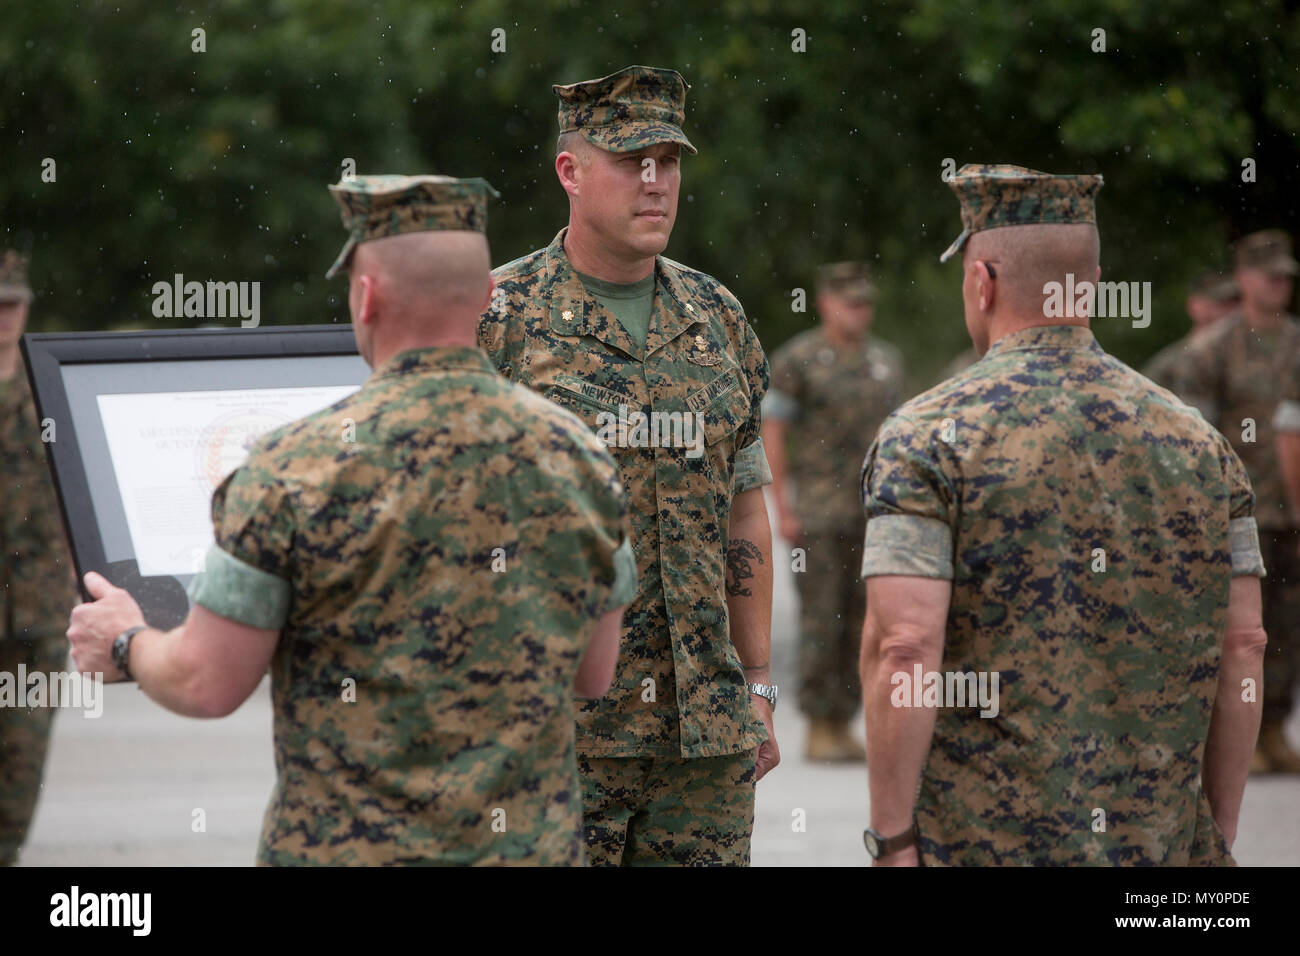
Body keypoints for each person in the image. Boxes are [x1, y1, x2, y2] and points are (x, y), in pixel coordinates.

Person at [67, 175, 636, 865]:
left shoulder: (289, 468)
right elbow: (595, 674)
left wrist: (124, 638)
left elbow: (206, 683)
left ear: (365, 297)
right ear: (487, 297)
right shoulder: (583, 459)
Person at [857, 164, 1267, 865]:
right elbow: (1244, 647)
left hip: (983, 846)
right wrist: (1214, 834)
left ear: (981, 281)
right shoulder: (1202, 444)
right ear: (1093, 282)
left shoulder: (927, 436)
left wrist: (893, 841)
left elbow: (904, 648)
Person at [479, 65, 779, 866]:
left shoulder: (717, 318)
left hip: (705, 740)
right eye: (631, 160)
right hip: (554, 735)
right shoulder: (496, 319)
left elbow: (746, 508)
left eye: (669, 162)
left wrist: (757, 686)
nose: (656, 184)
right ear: (570, 172)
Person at [1170, 229, 1300, 774]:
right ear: (1244, 278)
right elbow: (1191, 435)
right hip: (1238, 514)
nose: (1280, 286)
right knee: (1240, 633)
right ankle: (1234, 736)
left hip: (1291, 510)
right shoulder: (1213, 347)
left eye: (1286, 278)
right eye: (1269, 276)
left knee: (1287, 629)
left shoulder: (1297, 341)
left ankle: (1273, 729)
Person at [763, 262, 903, 761]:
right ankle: (820, 721)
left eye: (865, 303)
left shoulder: (885, 361)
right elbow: (774, 433)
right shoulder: (799, 359)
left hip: (872, 511)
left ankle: (846, 719)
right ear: (825, 303)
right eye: (850, 303)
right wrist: (782, 505)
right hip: (819, 511)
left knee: (864, 619)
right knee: (823, 617)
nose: (859, 312)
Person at [0, 249, 79, 866]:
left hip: (38, 608)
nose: (5, 316)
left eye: (14, 303)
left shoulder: (50, 386)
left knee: (22, 755)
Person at [1142, 270, 1239, 391]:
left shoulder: (1247, 357)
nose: (1231, 311)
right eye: (1221, 303)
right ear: (1194, 306)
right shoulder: (1169, 364)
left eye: (1236, 303)